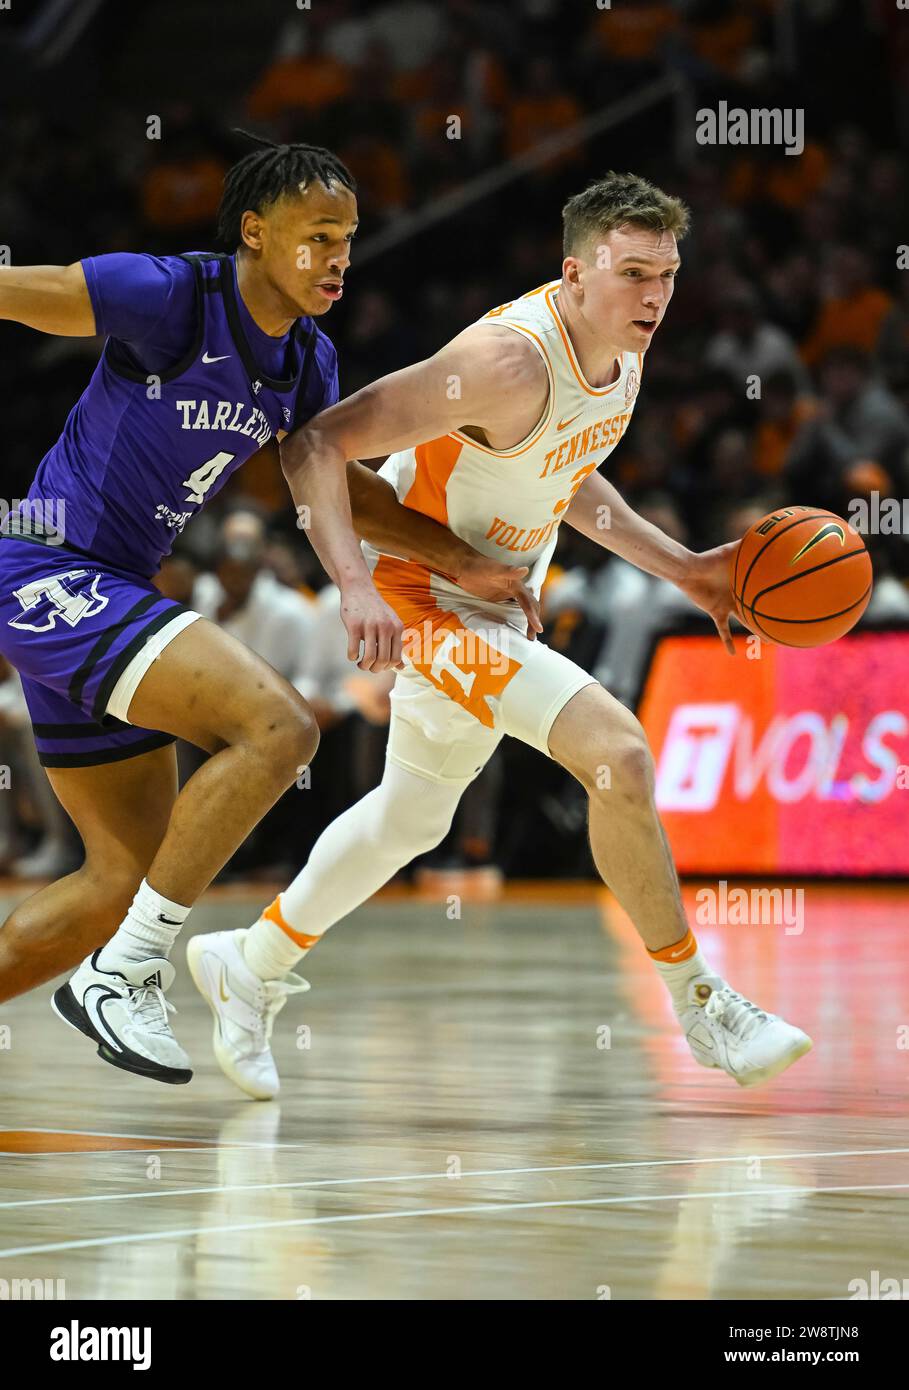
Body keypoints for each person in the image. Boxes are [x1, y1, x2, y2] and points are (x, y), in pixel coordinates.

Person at [189, 171, 812, 1100]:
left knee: (413, 817)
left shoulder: (623, 351)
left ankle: (252, 959)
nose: (653, 296)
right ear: (573, 271)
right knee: (619, 754)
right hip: (423, 596)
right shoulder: (503, 360)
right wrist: (356, 588)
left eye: (667, 276)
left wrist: (682, 567)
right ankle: (699, 1000)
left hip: (488, 597)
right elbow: (311, 445)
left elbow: (568, 471)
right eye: (633, 273)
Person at [0, 134, 536, 1085]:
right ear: (255, 232)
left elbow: (343, 490)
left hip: (112, 590)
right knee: (278, 728)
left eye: (348, 237)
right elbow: (28, 291)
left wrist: (463, 559)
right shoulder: (173, 294)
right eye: (317, 234)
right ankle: (126, 978)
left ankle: (116, 954)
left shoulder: (305, 365)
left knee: (115, 881)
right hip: (46, 566)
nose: (337, 256)